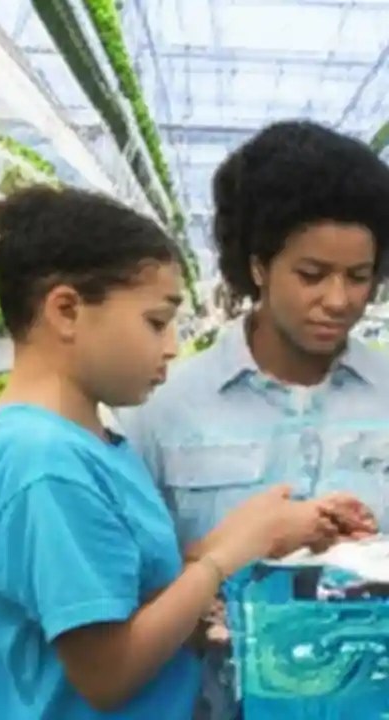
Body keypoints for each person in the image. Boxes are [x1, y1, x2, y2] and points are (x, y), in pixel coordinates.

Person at [0, 184, 373, 720]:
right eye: (156, 322)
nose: (173, 346)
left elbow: (140, 596)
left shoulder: (88, 444)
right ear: (66, 311)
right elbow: (108, 673)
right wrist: (226, 557)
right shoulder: (46, 463)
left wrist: (256, 532)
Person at [112, 119, 389, 720]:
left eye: (359, 277)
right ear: (259, 265)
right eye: (311, 275)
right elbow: (122, 601)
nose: (339, 300)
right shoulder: (164, 409)